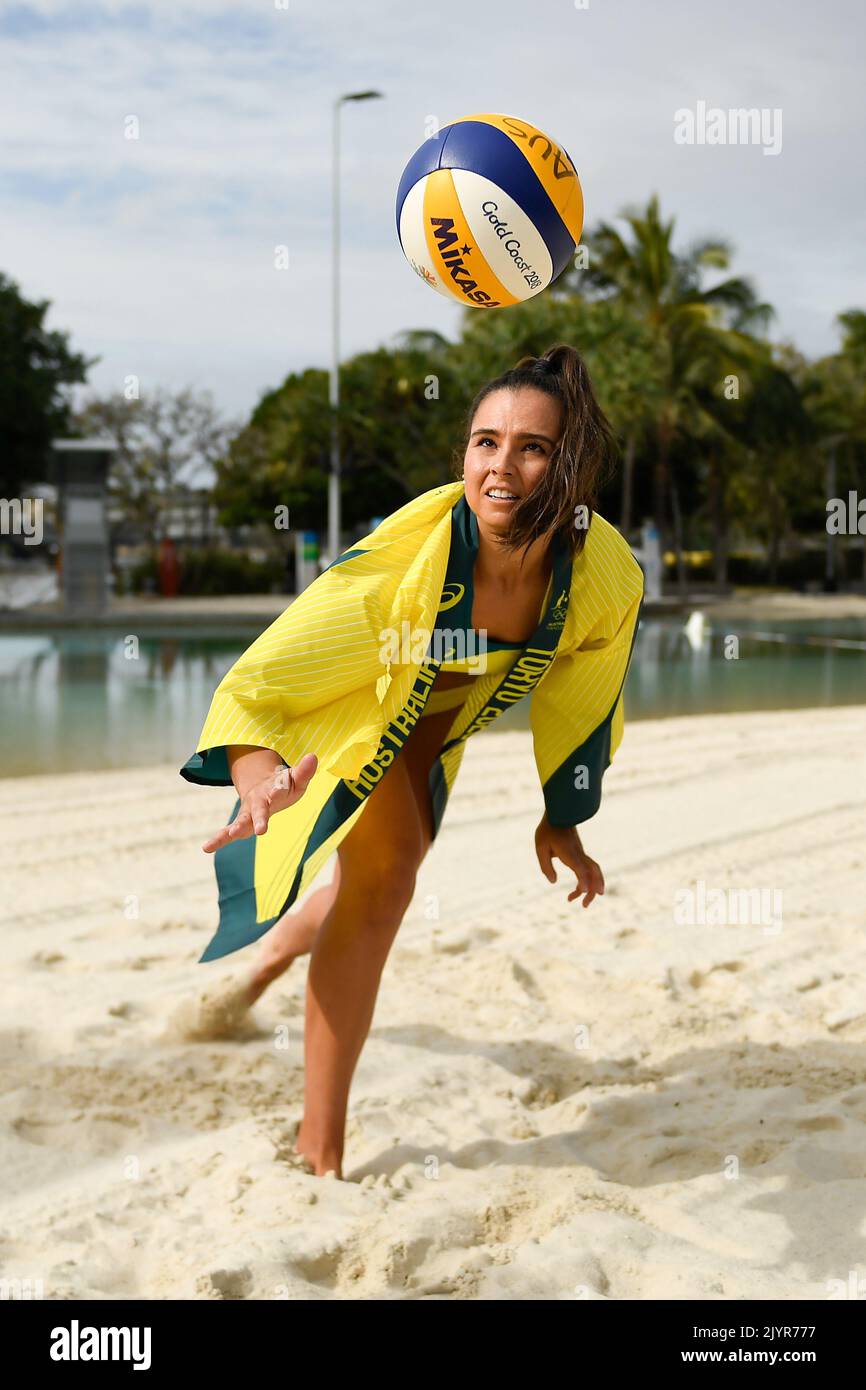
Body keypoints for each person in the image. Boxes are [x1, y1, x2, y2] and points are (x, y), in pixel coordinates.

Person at [180, 344, 644, 1178]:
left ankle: (266, 968)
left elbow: (590, 688)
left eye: (532, 447)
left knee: (368, 881)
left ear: (571, 467)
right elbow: (262, 681)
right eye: (485, 441)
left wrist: (563, 814)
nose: (501, 466)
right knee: (386, 885)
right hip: (354, 727)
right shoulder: (400, 575)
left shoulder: (604, 575)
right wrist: (255, 776)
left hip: (436, 745)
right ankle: (319, 1147)